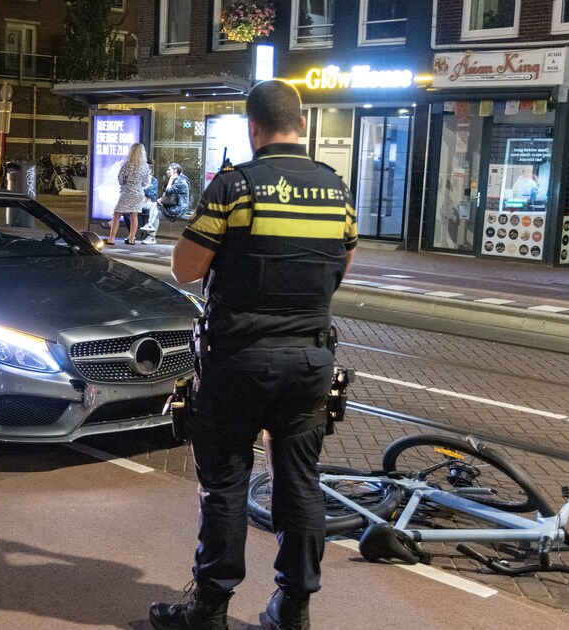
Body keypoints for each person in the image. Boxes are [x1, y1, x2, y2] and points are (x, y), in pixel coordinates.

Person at [150, 79, 357, 630]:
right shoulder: (336, 190)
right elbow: (341, 268)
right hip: (310, 362)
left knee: (225, 484)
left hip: (238, 360)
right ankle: (294, 609)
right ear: (303, 124)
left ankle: (210, 609)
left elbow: (185, 269)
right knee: (300, 482)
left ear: (253, 128)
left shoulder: (234, 186)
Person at [108, 143, 150, 245]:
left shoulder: (128, 164)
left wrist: (126, 183)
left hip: (127, 191)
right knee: (134, 215)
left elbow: (120, 178)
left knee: (117, 214)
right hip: (138, 193)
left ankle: (112, 238)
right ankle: (131, 239)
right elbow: (145, 182)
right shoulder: (145, 166)